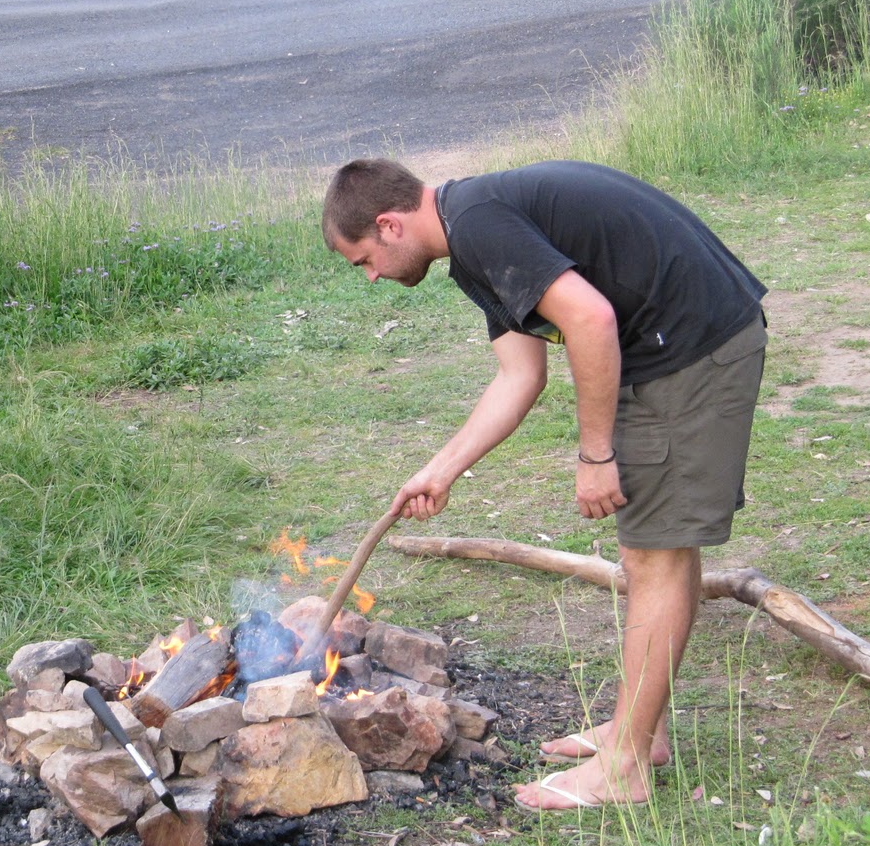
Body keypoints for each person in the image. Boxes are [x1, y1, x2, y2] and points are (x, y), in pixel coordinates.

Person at [322, 158, 767, 810]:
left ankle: (626, 767)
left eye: (362, 259)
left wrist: (595, 456)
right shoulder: (468, 240)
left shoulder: (478, 226)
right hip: (667, 348)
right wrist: (439, 471)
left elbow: (590, 321)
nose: (370, 277)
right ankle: (641, 732)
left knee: (657, 555)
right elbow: (518, 377)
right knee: (652, 549)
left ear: (389, 225)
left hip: (695, 345)